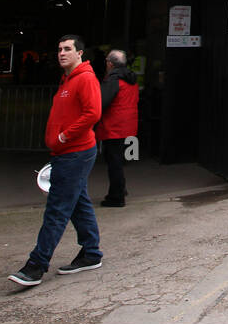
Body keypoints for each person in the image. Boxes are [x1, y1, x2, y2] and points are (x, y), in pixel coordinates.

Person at [9, 34, 103, 287]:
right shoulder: (67, 79)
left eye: (68, 49)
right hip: (67, 153)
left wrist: (63, 136)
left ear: (80, 53)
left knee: (57, 209)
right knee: (78, 203)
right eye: (59, 49)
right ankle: (91, 253)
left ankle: (36, 266)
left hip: (75, 153)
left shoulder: (85, 79)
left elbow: (93, 113)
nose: (62, 53)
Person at [96, 49, 139, 207]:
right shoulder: (131, 78)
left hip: (114, 126)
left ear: (110, 63)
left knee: (113, 162)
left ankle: (116, 196)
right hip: (128, 125)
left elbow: (102, 101)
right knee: (118, 161)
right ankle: (121, 188)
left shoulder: (113, 79)